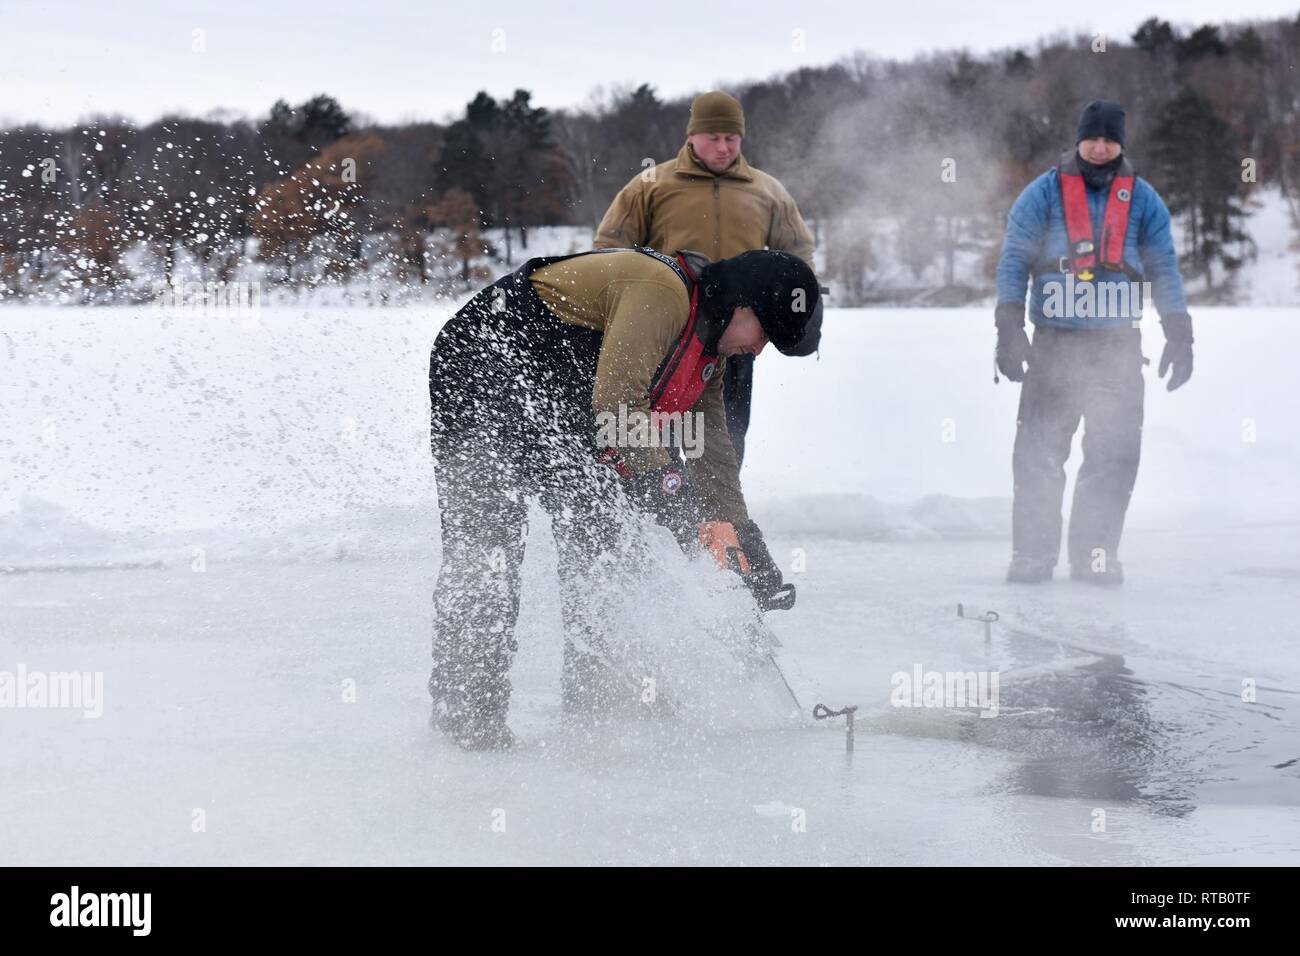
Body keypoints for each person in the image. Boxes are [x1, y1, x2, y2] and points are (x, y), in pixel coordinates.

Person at [427, 245, 820, 749]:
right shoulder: (660, 295)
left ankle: (601, 708)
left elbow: (710, 451)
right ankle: (468, 720)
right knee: (489, 548)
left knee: (601, 539)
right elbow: (617, 407)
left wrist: (738, 533)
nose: (759, 349)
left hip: (566, 401)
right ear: (740, 306)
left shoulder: (709, 349)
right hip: (487, 365)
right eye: (763, 333)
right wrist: (668, 493)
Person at [994, 99, 1193, 587]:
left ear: (1120, 144)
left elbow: (1164, 266)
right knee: (1039, 453)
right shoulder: (1042, 193)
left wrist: (1179, 331)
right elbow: (1015, 258)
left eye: (1109, 140)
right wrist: (1008, 327)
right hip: (1054, 345)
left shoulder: (1144, 200)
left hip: (1117, 350)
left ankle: (1096, 556)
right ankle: (1033, 557)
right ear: (1078, 140)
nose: (1100, 148)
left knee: (1114, 454)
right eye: (1092, 138)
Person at [594, 90, 819, 466]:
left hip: (740, 333)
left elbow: (797, 251)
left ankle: (717, 513)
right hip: (668, 328)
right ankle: (659, 502)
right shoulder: (651, 184)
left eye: (731, 138)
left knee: (724, 432)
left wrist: (800, 307)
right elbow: (610, 248)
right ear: (691, 135)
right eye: (713, 137)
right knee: (657, 423)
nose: (723, 147)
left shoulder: (767, 190)